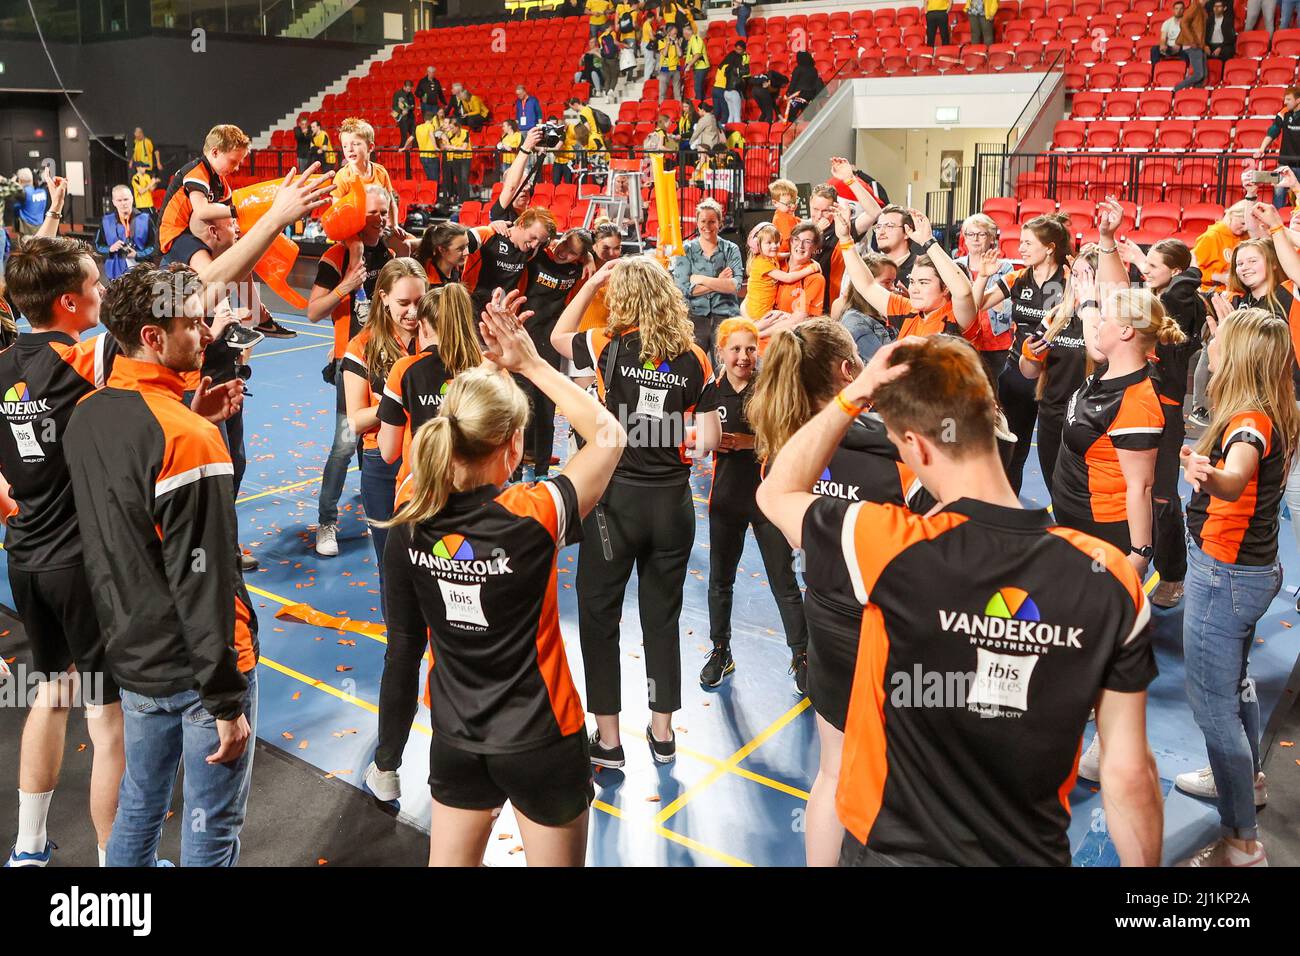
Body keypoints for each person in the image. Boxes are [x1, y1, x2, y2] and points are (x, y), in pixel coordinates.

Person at [757, 334, 1163, 867]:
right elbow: (1129, 775)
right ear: (991, 416)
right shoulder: (1110, 579)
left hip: (895, 854)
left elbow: (777, 492)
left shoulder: (888, 547)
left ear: (918, 448)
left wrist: (854, 393)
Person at [60, 167, 327, 868]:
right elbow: (203, 581)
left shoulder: (88, 415)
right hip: (197, 667)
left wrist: (185, 409)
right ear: (153, 335)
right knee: (212, 828)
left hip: (133, 654)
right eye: (192, 323)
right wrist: (226, 699)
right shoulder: (191, 440)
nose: (207, 328)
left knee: (141, 805)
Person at [381, 291, 625, 866]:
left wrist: (489, 371)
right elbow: (609, 436)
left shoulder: (410, 510)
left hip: (456, 736)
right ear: (514, 446)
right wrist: (531, 364)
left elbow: (405, 640)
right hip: (541, 736)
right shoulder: (533, 516)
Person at [749, 320, 931, 865]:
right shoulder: (899, 447)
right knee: (903, 772)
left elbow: (793, 530)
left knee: (832, 770)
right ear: (850, 370)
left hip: (826, 616)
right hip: (892, 627)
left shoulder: (787, 451)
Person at [550, 257, 717, 768]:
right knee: (662, 619)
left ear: (621, 297)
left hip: (614, 505)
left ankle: (609, 740)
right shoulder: (695, 356)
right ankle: (663, 734)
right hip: (672, 505)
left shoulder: (607, 343)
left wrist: (591, 284)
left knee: (599, 616)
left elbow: (557, 336)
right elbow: (708, 441)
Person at [0, 235, 127, 867]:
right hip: (80, 566)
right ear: (69, 303)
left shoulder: (2, 364)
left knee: (50, 693)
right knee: (106, 719)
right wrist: (273, 223)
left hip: (24, 560)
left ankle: (28, 847)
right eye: (95, 285)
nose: (103, 292)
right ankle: (114, 862)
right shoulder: (81, 356)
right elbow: (192, 291)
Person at [1176, 308, 1297, 867]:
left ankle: (1242, 844)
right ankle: (1247, 781)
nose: (1210, 348)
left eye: (1219, 341)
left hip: (1225, 576)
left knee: (1213, 707)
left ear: (1240, 355)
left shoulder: (1249, 420)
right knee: (1236, 682)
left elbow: (1236, 476)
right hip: (1250, 571)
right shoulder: (1274, 408)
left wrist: (1206, 473)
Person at [364, 281, 484, 803]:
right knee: (462, 649)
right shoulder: (487, 375)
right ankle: (456, 772)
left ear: (427, 322)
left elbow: (389, 451)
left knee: (404, 647)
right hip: (473, 523)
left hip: (415, 519)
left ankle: (387, 768)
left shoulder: (406, 372)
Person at [696, 317, 808, 688]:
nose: (743, 357)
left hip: (767, 502)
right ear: (721, 352)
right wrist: (705, 441)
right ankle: (720, 651)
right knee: (720, 582)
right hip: (726, 500)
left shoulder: (769, 388)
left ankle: (802, 656)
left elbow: (791, 442)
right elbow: (699, 445)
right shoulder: (710, 392)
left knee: (783, 581)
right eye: (736, 349)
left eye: (750, 349)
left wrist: (751, 443)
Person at [307, 184, 397, 557]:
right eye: (372, 212)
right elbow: (314, 311)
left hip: (387, 359)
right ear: (357, 216)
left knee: (381, 438)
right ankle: (326, 522)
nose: (380, 218)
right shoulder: (336, 256)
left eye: (383, 211)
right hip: (352, 364)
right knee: (345, 444)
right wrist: (347, 285)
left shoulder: (389, 254)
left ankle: (378, 502)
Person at [971, 212, 1073, 493]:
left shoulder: (1069, 280)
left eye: (1028, 243)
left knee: (1058, 457)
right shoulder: (1018, 277)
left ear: (1049, 247)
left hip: (1057, 378)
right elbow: (977, 304)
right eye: (1021, 242)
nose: (1021, 248)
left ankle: (1066, 512)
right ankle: (1008, 509)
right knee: (1011, 451)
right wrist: (983, 276)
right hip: (1018, 372)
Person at [343, 258, 426, 573]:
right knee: (392, 566)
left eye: (420, 301)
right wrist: (397, 400)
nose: (413, 312)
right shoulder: (362, 346)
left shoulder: (437, 340)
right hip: (382, 463)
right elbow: (355, 420)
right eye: (404, 303)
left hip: (429, 457)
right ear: (384, 298)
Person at [1018, 248, 1099, 507]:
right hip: (1051, 415)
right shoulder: (1055, 316)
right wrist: (1030, 354)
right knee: (1054, 488)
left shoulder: (1105, 320)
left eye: (1086, 275)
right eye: (1075, 274)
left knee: (1083, 497)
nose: (1077, 281)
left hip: (1089, 420)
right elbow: (1028, 372)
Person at [518, 228, 595, 477]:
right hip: (523, 337)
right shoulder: (538, 255)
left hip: (549, 343)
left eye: (573, 253)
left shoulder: (577, 270)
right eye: (564, 246)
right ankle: (515, 469)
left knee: (546, 407)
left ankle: (542, 470)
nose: (564, 253)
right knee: (520, 405)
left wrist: (588, 258)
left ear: (579, 257)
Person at [158, 124, 248, 262]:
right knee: (205, 265)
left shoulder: (221, 182)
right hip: (175, 234)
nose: (236, 168)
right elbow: (202, 211)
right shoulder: (196, 172)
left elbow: (229, 215)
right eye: (233, 162)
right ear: (215, 152)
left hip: (197, 234)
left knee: (240, 252)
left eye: (239, 163)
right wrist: (238, 210)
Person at [672, 198, 743, 353]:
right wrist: (719, 282)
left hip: (726, 316)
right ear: (697, 222)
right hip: (694, 317)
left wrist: (701, 279)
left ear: (719, 223)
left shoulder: (731, 249)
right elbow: (683, 289)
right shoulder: (685, 250)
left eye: (712, 222)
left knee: (723, 364)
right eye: (703, 221)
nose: (707, 226)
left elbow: (734, 285)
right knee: (693, 363)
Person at [462, 207, 556, 315]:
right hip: (470, 309)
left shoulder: (534, 249)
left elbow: (558, 248)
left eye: (540, 242)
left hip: (501, 314)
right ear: (522, 224)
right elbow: (451, 246)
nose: (535, 245)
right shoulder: (486, 235)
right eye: (533, 237)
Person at [744, 223, 820, 329]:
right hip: (760, 314)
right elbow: (788, 278)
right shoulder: (762, 263)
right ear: (758, 245)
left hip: (765, 314)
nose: (774, 246)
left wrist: (794, 253)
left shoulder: (770, 257)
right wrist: (811, 269)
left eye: (776, 242)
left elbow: (781, 255)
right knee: (786, 318)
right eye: (769, 243)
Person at [953, 213, 1013, 340]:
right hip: (964, 339)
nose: (975, 239)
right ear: (965, 238)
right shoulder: (955, 266)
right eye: (970, 234)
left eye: (981, 234)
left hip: (996, 340)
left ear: (991, 238)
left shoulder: (1004, 267)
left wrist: (982, 297)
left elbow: (1011, 308)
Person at [834, 253, 899, 362]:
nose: (893, 288)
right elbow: (882, 362)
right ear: (866, 282)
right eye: (887, 282)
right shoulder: (854, 321)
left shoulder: (886, 313)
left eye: (893, 282)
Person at [95, 184, 157, 281]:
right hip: (115, 274)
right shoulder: (106, 221)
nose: (123, 203)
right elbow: (98, 246)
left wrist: (138, 254)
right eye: (119, 200)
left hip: (142, 272)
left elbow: (155, 246)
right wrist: (110, 249)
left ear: (132, 199)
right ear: (113, 202)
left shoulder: (145, 219)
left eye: (126, 199)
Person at [1254, 89, 1300, 208]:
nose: (1285, 102)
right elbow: (1273, 131)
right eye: (1285, 99)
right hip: (1284, 163)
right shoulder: (1283, 113)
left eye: (1289, 99)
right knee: (1278, 193)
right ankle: (1276, 216)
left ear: (1298, 100)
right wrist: (1261, 149)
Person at [1193, 200, 1251, 293]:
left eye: (1248, 225)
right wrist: (1219, 277)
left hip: (1240, 290)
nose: (1245, 228)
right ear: (1232, 215)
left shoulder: (1247, 235)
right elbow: (1193, 271)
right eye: (1242, 223)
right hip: (1214, 292)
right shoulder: (1210, 237)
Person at [418, 220, 471, 287]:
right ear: (442, 250)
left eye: (467, 245)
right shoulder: (423, 280)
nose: (467, 252)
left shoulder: (459, 269)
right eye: (460, 249)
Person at [1172, 0, 1208, 92]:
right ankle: (1176, 89)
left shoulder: (1201, 8)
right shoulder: (1195, 6)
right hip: (1193, 45)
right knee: (1199, 74)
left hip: (1198, 45)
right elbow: (1183, 22)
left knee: (1203, 75)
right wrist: (1192, 40)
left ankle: (1197, 94)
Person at [437, 117, 473, 205]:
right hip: (455, 158)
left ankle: (466, 200)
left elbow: (464, 148)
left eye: (452, 128)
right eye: (450, 128)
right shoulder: (450, 134)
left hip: (465, 158)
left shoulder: (465, 132)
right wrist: (440, 135)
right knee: (459, 179)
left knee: (464, 179)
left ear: (457, 127)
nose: (451, 130)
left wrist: (452, 147)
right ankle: (460, 200)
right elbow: (443, 145)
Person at [1151, 1, 1189, 79]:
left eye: (1181, 9)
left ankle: (1185, 73)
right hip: (1170, 47)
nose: (1178, 11)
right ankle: (1154, 72)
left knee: (1187, 50)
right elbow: (1163, 38)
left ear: (1184, 10)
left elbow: (1188, 37)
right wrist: (1163, 45)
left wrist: (1179, 44)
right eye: (1176, 8)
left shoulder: (1187, 23)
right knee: (1154, 49)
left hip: (1182, 46)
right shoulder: (1167, 23)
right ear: (1173, 10)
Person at [11, 168, 50, 238]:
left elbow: (14, 205)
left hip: (26, 229)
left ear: (20, 180)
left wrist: (12, 182)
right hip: (40, 226)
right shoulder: (43, 192)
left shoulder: (24, 193)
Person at [785, 52, 823, 122]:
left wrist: (788, 93)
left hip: (798, 96)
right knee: (809, 118)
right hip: (809, 96)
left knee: (791, 116)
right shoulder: (814, 70)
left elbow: (793, 83)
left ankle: (796, 127)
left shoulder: (798, 69)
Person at [683, 21, 711, 100]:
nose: (683, 35)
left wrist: (689, 66)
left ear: (687, 33)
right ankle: (701, 102)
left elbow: (697, 55)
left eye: (684, 33)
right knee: (699, 88)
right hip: (698, 67)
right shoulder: (691, 40)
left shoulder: (695, 39)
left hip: (701, 67)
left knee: (698, 88)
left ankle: (699, 104)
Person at [1206, 0, 1237, 64]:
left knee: (1227, 51)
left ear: (1224, 8)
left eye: (1219, 6)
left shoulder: (1228, 21)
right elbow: (1204, 36)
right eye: (1215, 6)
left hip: (1223, 45)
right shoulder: (1209, 20)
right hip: (1210, 45)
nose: (1216, 8)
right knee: (1198, 51)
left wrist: (1220, 48)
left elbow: (1230, 39)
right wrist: (1205, 46)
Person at [658, 25, 683, 102]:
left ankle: (678, 106)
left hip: (676, 68)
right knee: (662, 92)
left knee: (677, 92)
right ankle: (661, 106)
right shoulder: (662, 41)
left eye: (676, 34)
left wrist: (677, 44)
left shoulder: (677, 41)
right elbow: (664, 53)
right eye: (674, 33)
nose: (675, 35)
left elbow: (680, 54)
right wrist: (668, 44)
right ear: (669, 33)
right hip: (665, 69)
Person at [415, 112, 441, 183]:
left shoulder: (418, 127)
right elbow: (431, 135)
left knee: (429, 178)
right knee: (435, 178)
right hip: (431, 155)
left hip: (422, 156)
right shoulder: (430, 126)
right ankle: (435, 190)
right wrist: (436, 147)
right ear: (432, 119)